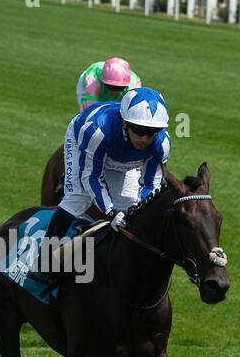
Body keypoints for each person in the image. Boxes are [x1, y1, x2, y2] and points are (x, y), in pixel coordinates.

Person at [45, 87, 171, 242]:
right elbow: (91, 177)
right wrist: (111, 212)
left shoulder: (161, 144)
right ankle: (44, 255)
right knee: (78, 198)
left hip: (121, 159)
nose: (145, 139)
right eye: (139, 130)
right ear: (125, 123)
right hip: (84, 144)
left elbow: (151, 186)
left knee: (130, 205)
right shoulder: (97, 132)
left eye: (152, 131)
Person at [76, 57, 142, 111]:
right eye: (110, 87)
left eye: (119, 88)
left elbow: (133, 111)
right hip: (90, 88)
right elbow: (89, 108)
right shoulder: (92, 80)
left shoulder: (134, 85)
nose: (114, 92)